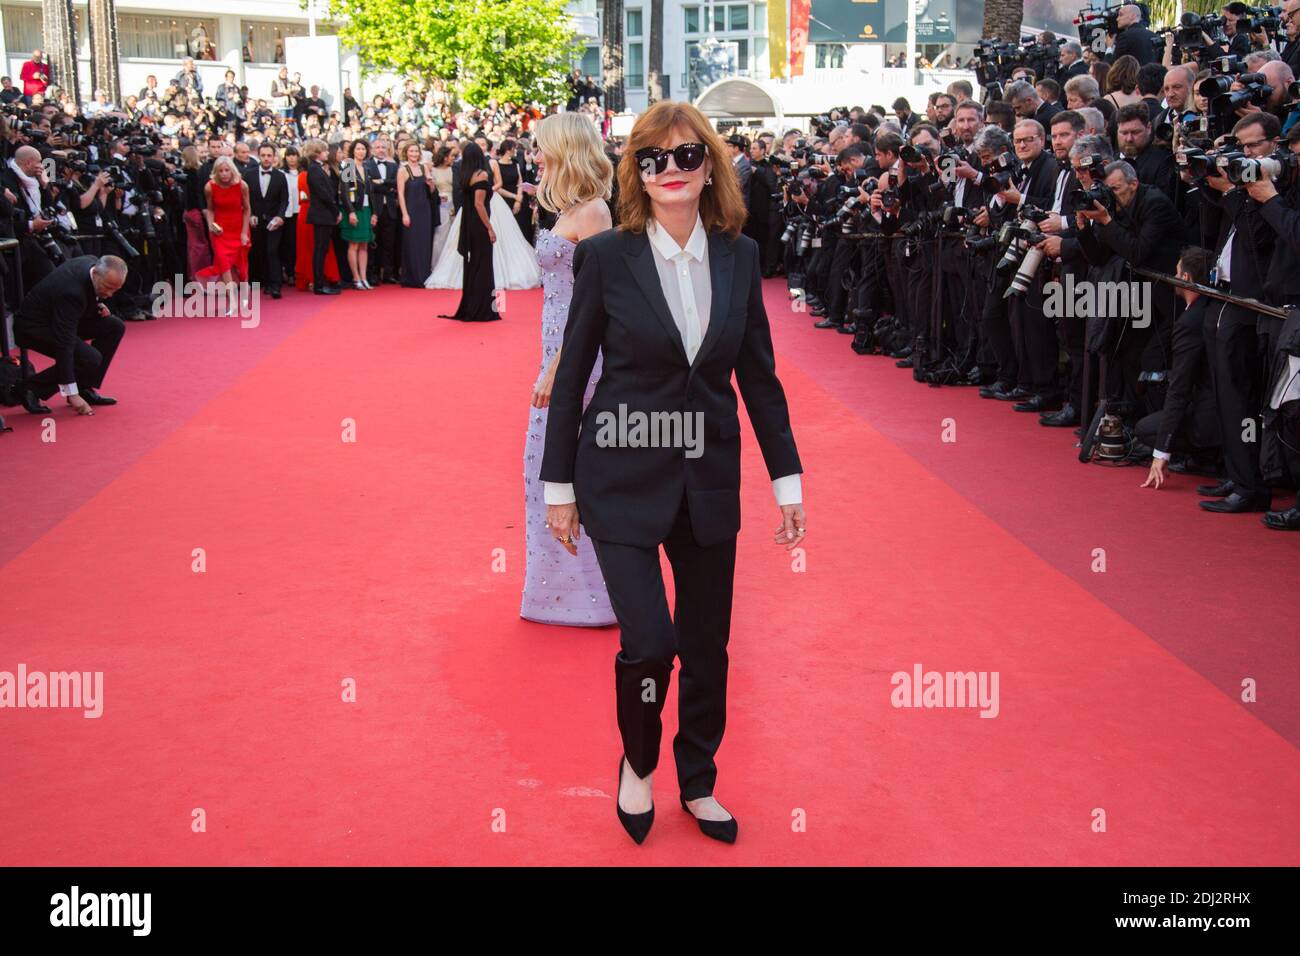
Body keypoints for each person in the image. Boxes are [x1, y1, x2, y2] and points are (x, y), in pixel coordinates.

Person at [539, 101, 806, 846]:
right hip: (618, 479)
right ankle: (639, 762)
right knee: (650, 641)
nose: (672, 171)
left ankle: (699, 780)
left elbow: (759, 380)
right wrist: (557, 490)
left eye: (688, 156)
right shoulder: (608, 257)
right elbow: (572, 381)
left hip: (708, 479)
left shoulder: (739, 256)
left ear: (710, 166)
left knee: (707, 642)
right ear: (637, 172)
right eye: (654, 159)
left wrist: (788, 482)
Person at [521, 113, 616, 626]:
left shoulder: (596, 213)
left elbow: (595, 303)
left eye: (543, 149)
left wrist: (559, 368)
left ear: (565, 150)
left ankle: (593, 599)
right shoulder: (577, 208)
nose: (537, 157)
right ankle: (556, 595)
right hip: (558, 353)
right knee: (547, 467)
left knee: (564, 466)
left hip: (577, 360)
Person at [12, 255, 127, 416]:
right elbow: (64, 342)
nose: (109, 294)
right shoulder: (72, 292)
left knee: (114, 326)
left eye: (115, 290)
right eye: (107, 287)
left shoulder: (93, 266)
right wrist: (71, 393)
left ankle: (84, 386)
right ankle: (29, 389)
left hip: (60, 317)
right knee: (90, 358)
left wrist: (97, 305)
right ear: (95, 274)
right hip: (33, 327)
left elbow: (86, 296)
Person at [427, 142, 541, 290]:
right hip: (480, 204)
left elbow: (498, 183)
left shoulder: (490, 164)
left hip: (491, 201)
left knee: (502, 239)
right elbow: (476, 201)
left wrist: (489, 189)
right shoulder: (469, 171)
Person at [435, 141, 498, 321]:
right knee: (483, 266)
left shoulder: (465, 175)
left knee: (473, 265)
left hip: (468, 224)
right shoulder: (481, 174)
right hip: (479, 225)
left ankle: (473, 305)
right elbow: (480, 205)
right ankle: (483, 309)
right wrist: (490, 228)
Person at [196, 155, 251, 312]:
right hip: (220, 231)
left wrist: (244, 233)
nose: (224, 174)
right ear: (216, 172)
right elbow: (210, 209)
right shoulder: (210, 187)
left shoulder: (242, 186)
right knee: (224, 264)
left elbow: (247, 209)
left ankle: (245, 294)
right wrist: (211, 226)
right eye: (221, 171)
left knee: (241, 264)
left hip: (239, 228)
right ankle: (232, 301)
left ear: (232, 171)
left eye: (227, 170)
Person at [244, 143, 288, 299]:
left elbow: (284, 200)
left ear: (274, 156)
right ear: (259, 155)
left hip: (274, 222)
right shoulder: (248, 175)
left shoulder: (280, 176)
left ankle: (276, 286)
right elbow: (245, 199)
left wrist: (280, 217)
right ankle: (262, 282)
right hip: (255, 221)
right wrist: (250, 215)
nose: (266, 158)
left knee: (272, 251)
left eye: (269, 155)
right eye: (263, 155)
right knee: (258, 252)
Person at [304, 138, 345, 295]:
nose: (328, 153)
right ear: (317, 152)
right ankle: (319, 285)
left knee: (322, 250)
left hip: (324, 214)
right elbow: (324, 194)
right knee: (320, 250)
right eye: (325, 150)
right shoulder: (315, 169)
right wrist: (336, 211)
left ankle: (320, 283)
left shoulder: (317, 168)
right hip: (322, 214)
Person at [397, 141, 436, 287]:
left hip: (425, 210)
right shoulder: (403, 170)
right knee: (412, 244)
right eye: (411, 151)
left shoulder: (424, 167)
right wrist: (405, 214)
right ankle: (412, 278)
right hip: (411, 210)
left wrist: (431, 183)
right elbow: (400, 194)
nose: (414, 154)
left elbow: (431, 191)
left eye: (416, 151)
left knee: (424, 243)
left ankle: (424, 276)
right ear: (406, 153)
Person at [340, 139, 377, 290]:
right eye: (358, 149)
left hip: (366, 210)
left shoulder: (367, 168)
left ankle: (364, 277)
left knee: (364, 245)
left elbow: (371, 193)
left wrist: (374, 213)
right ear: (353, 151)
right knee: (353, 244)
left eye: (363, 149)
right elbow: (344, 192)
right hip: (354, 210)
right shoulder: (348, 167)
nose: (361, 152)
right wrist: (351, 212)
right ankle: (355, 278)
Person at [429, 146, 455, 265]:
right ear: (445, 158)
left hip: (454, 203)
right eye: (451, 156)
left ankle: (451, 265)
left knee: (454, 235)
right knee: (440, 234)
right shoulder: (432, 170)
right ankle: (437, 265)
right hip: (440, 204)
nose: (453, 158)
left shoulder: (454, 169)